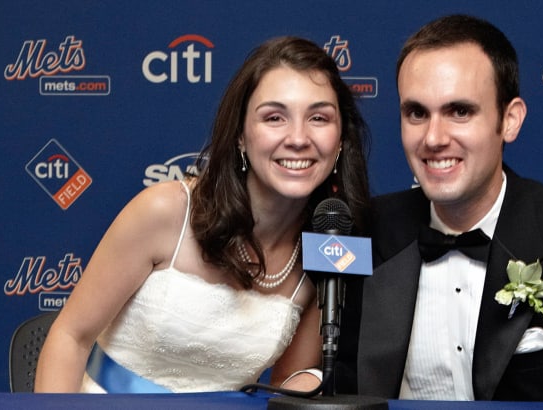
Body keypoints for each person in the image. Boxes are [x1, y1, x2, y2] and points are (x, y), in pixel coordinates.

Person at [336, 15, 543, 402]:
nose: (434, 138)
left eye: (460, 111)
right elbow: (335, 381)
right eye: (417, 113)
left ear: (509, 120)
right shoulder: (362, 232)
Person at [35, 36, 371, 394]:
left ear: (341, 141)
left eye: (318, 118)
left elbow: (287, 388)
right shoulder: (166, 211)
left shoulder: (330, 250)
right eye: (274, 117)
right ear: (241, 135)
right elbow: (69, 338)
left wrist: (319, 379)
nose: (298, 137)